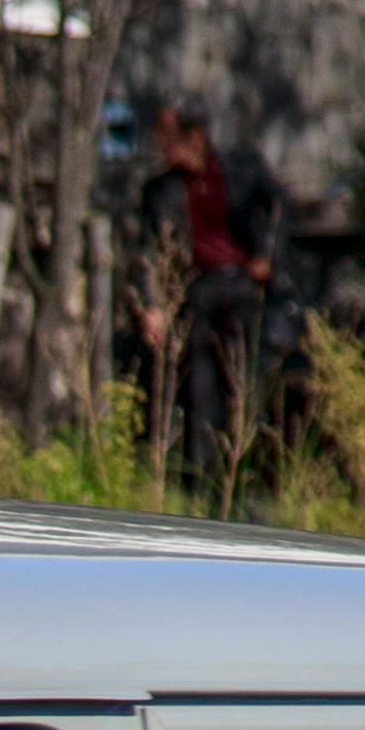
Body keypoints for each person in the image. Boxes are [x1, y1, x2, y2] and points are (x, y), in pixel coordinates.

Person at [135, 103, 284, 488]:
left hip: (241, 289)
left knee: (246, 381)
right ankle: (201, 481)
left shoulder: (240, 171)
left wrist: (265, 257)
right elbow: (147, 250)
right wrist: (152, 305)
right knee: (200, 389)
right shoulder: (161, 191)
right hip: (196, 292)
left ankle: (248, 477)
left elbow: (278, 210)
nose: (164, 149)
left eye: (171, 141)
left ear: (195, 137)